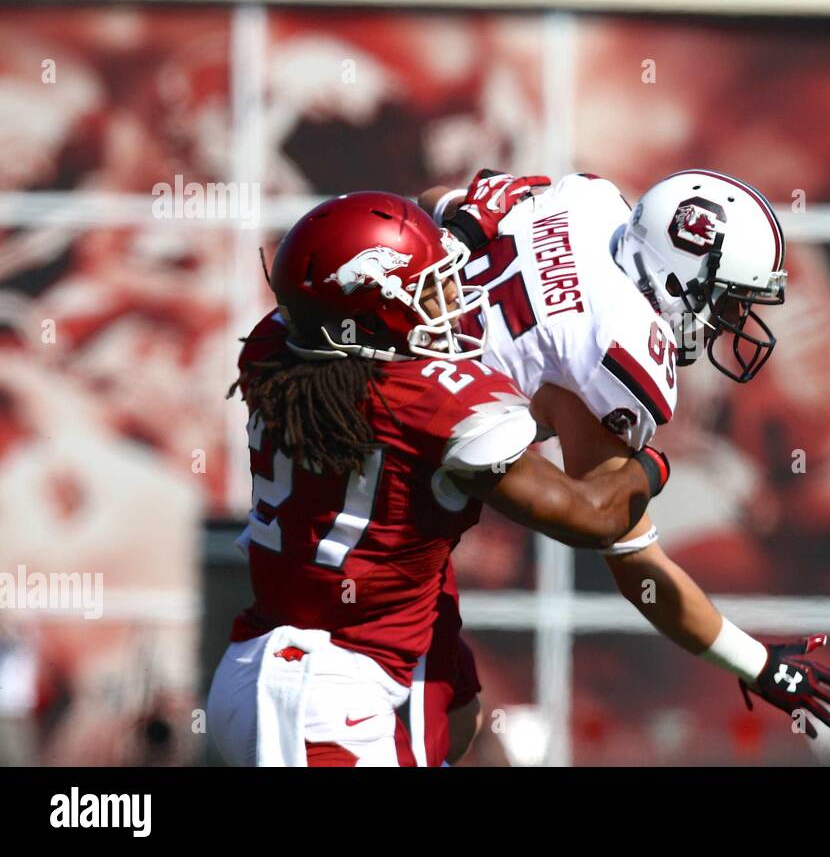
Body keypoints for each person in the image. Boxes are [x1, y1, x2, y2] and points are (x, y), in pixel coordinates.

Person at [206, 191, 671, 767]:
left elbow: (338, 280)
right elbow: (592, 515)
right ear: (372, 318)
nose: (453, 298)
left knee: (460, 720)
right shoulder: (428, 404)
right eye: (431, 290)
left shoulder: (275, 347)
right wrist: (650, 464)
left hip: (272, 667)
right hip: (321, 695)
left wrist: (466, 231)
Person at [408, 169, 830, 764]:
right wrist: (651, 473)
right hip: (396, 474)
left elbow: (435, 201)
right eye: (723, 299)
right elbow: (628, 556)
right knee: (416, 717)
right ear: (679, 276)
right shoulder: (614, 349)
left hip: (386, 407)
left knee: (454, 714)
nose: (727, 321)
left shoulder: (587, 202)